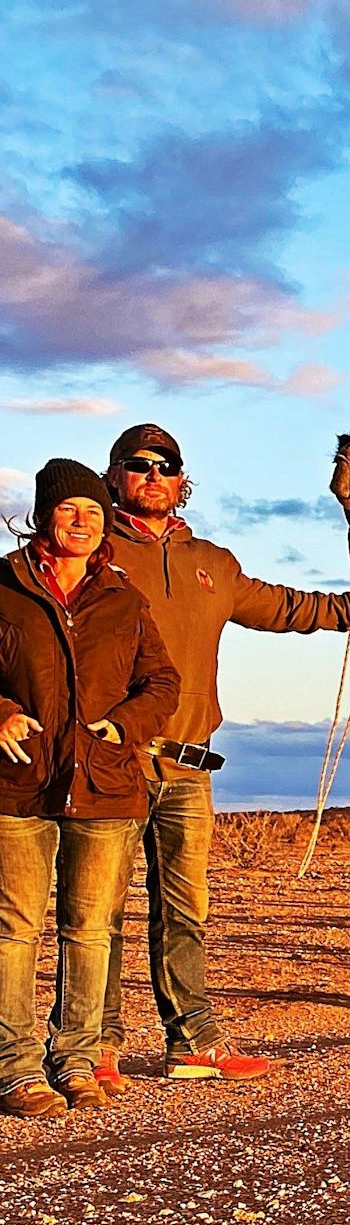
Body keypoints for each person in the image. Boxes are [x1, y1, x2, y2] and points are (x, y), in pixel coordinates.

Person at [97, 423, 350, 1089]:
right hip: (111, 762)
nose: (153, 474)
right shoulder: (91, 552)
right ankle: (96, 1049)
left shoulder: (216, 565)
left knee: (186, 909)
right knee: (99, 912)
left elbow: (289, 607)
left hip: (189, 766)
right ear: (114, 475)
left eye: (166, 465)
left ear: (182, 480)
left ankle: (193, 1044)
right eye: (138, 464)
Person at [2, 460, 179, 1118]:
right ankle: (15, 1068)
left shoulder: (123, 599)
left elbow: (162, 683)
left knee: (90, 930)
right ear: (45, 515)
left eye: (94, 513)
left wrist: (122, 727)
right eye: (69, 509)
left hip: (105, 785)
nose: (81, 522)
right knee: (15, 931)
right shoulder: (4, 586)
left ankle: (75, 1059)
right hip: (18, 786)